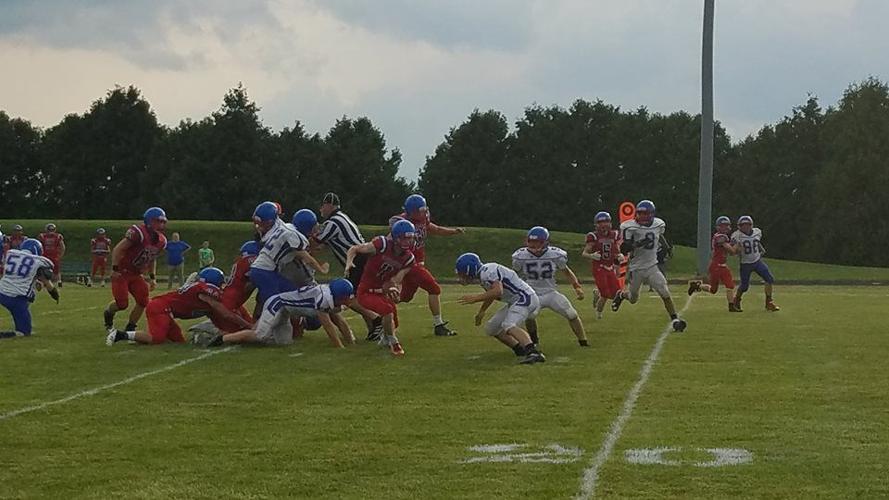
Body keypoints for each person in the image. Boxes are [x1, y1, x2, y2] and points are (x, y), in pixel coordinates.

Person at [106, 267, 250, 346]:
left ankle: (138, 339)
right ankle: (120, 335)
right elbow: (225, 313)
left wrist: (235, 332)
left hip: (167, 311)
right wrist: (247, 325)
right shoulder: (205, 291)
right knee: (157, 338)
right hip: (160, 307)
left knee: (178, 343)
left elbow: (219, 318)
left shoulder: (206, 297)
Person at [389, 194, 463, 337]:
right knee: (434, 288)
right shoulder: (401, 222)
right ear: (412, 211)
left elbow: (434, 229)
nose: (424, 212)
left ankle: (380, 306)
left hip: (417, 263)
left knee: (404, 297)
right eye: (421, 210)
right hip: (409, 263)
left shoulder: (423, 218)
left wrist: (453, 231)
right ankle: (438, 325)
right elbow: (391, 238)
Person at [455, 253, 546, 365]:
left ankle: (534, 352)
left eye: (463, 273)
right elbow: (491, 294)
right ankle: (519, 350)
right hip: (516, 301)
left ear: (470, 269)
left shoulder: (488, 271)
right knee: (491, 328)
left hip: (525, 297)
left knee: (509, 325)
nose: (462, 276)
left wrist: (475, 298)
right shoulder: (484, 275)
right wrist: (482, 311)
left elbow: (498, 291)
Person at [208, 279, 356, 348]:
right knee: (260, 335)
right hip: (277, 304)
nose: (345, 302)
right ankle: (222, 338)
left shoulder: (328, 295)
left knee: (284, 343)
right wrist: (339, 347)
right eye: (344, 298)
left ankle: (247, 335)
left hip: (286, 310)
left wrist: (351, 342)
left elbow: (339, 320)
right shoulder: (324, 299)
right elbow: (328, 326)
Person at [315, 192, 383, 340]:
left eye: (322, 206)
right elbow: (324, 245)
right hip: (364, 259)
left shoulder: (332, 223)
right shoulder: (343, 217)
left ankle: (376, 319)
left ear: (329, 205)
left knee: (346, 296)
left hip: (357, 261)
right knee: (360, 296)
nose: (321, 209)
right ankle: (374, 329)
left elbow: (317, 242)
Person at [611, 200, 687, 332]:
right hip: (636, 268)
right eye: (640, 213)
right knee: (633, 298)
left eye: (645, 214)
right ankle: (622, 295)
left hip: (652, 266)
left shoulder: (658, 224)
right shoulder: (630, 227)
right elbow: (625, 249)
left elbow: (660, 235)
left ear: (652, 214)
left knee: (664, 292)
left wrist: (667, 247)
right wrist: (639, 244)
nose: (642, 216)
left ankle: (675, 319)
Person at [344, 220, 417, 356]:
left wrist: (394, 289)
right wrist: (349, 262)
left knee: (394, 321)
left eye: (410, 237)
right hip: (366, 290)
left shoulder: (408, 259)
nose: (408, 241)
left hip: (381, 291)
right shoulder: (381, 245)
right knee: (387, 311)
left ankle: (384, 339)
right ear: (395, 237)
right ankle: (393, 342)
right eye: (404, 238)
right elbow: (354, 248)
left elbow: (395, 280)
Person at [512, 226, 589, 347]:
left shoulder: (555, 254)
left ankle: (583, 342)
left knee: (572, 314)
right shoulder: (520, 256)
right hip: (532, 293)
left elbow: (567, 272)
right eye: (531, 242)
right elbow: (513, 275)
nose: (534, 246)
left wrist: (577, 286)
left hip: (550, 292)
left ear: (545, 242)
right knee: (530, 316)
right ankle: (534, 341)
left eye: (538, 242)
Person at [249, 202, 329, 316]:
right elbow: (307, 258)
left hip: (265, 270)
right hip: (265, 272)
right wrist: (321, 269)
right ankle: (258, 331)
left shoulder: (285, 227)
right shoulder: (294, 236)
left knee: (291, 294)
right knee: (276, 305)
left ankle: (276, 328)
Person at [102, 207, 169, 334]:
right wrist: (115, 268)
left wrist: (152, 277)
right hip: (122, 271)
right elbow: (118, 249)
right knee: (122, 304)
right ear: (149, 221)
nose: (160, 225)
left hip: (136, 274)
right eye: (157, 221)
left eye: (162, 222)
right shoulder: (139, 232)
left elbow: (152, 258)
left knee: (143, 301)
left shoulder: (161, 241)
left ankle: (131, 327)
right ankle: (108, 314)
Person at [188, 240, 258, 340]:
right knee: (241, 332)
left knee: (249, 327)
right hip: (229, 307)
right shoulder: (249, 261)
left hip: (234, 304)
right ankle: (206, 330)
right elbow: (227, 314)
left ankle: (212, 327)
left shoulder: (242, 264)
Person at [0, 239, 60, 338]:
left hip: (2, 292)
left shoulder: (11, 253)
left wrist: (35, 280)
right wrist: (55, 294)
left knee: (30, 293)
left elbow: (18, 272)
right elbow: (49, 268)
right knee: (24, 332)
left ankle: (21, 316)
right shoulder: (40, 261)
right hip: (17, 298)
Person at [688, 216, 739, 311]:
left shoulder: (722, 237)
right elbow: (732, 251)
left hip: (716, 265)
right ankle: (731, 306)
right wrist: (737, 244)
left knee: (713, 290)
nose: (726, 227)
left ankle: (697, 285)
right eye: (723, 225)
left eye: (727, 225)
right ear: (718, 227)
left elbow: (730, 252)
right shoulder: (720, 237)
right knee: (730, 285)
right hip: (718, 266)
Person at [730, 215, 779, 312]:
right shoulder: (736, 235)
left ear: (751, 225)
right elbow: (733, 250)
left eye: (747, 225)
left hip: (757, 261)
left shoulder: (757, 232)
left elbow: (756, 242)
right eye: (743, 225)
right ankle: (737, 299)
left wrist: (761, 249)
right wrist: (737, 250)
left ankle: (769, 302)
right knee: (744, 286)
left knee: (769, 279)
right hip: (745, 264)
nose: (745, 227)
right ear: (739, 226)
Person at [582, 211, 625, 319]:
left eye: (606, 221)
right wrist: (592, 255)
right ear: (596, 224)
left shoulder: (614, 234)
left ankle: (597, 297)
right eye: (601, 222)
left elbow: (615, 249)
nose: (604, 224)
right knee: (605, 294)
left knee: (616, 294)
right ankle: (599, 311)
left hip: (609, 267)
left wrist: (619, 255)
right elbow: (584, 253)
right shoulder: (593, 236)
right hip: (599, 267)